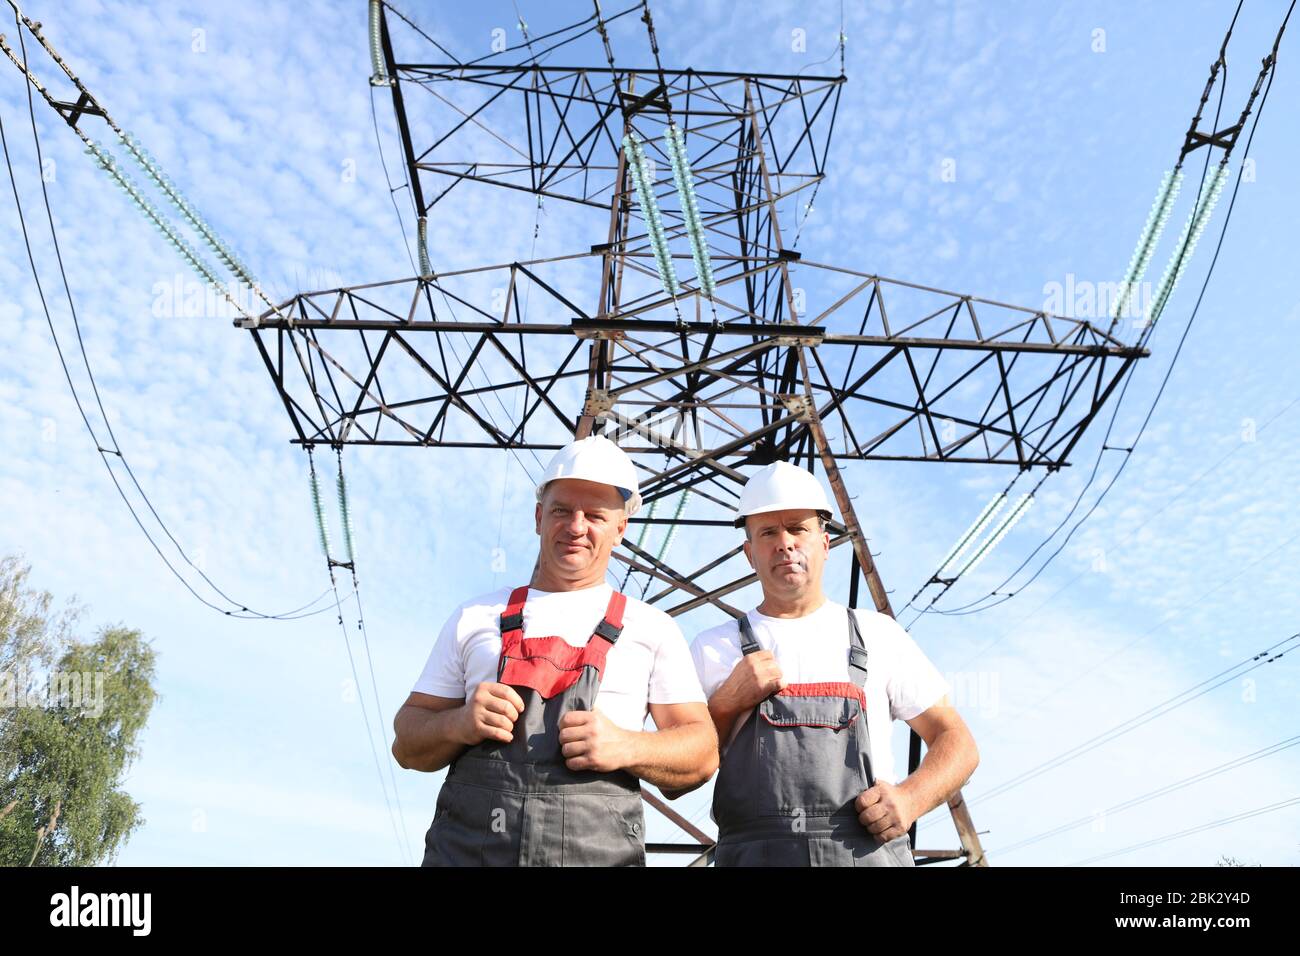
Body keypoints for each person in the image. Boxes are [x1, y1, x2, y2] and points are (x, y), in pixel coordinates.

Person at [392, 435, 718, 866]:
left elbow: (702, 754)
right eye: (562, 510)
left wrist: (626, 746)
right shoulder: (474, 616)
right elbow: (406, 743)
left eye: (595, 516)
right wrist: (460, 722)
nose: (576, 527)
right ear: (538, 517)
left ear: (620, 529)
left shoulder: (652, 628)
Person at [689, 461, 979, 867]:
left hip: (866, 852)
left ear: (825, 544)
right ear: (749, 553)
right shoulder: (711, 648)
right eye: (768, 532)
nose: (785, 544)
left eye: (798, 529)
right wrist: (725, 704)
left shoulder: (877, 634)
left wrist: (910, 798)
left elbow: (957, 741)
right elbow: (681, 776)